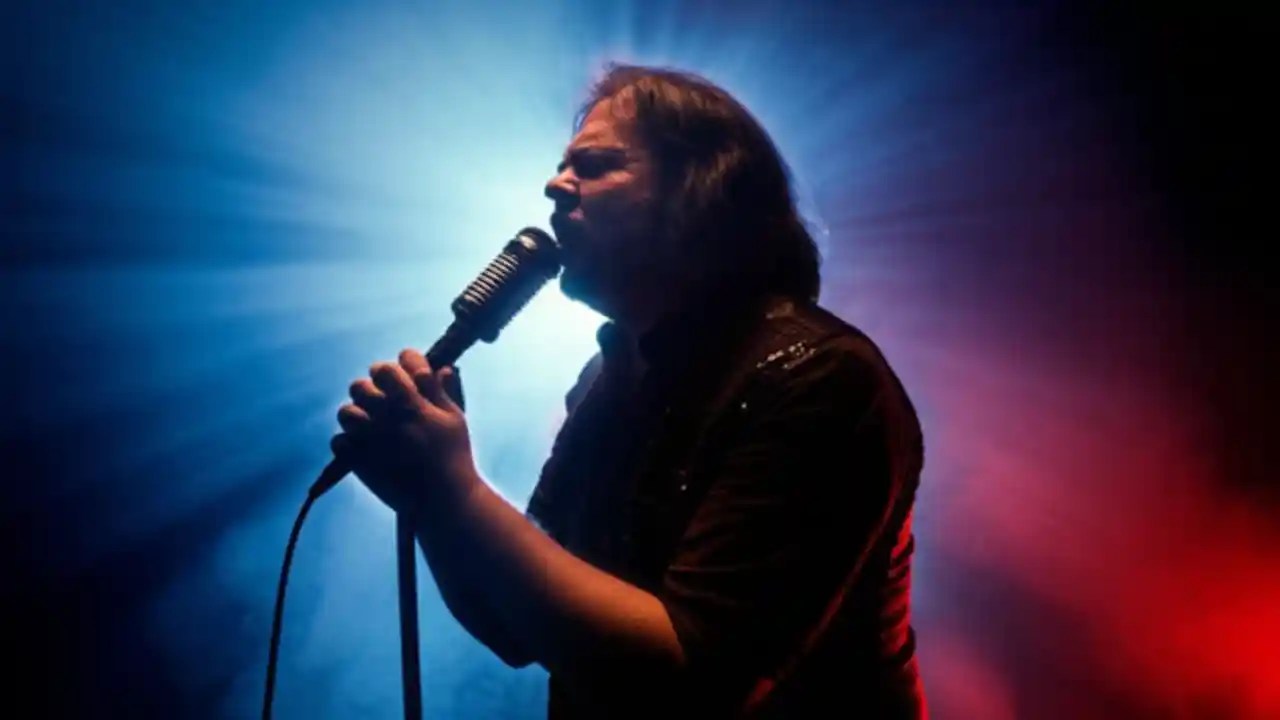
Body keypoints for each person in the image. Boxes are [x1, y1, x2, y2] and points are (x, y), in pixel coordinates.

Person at [333, 64, 926, 719]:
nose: (555, 186)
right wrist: (434, 506)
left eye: (594, 165)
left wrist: (459, 491)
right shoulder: (607, 378)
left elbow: (689, 682)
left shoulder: (820, 378)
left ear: (700, 190)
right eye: (564, 165)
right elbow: (514, 628)